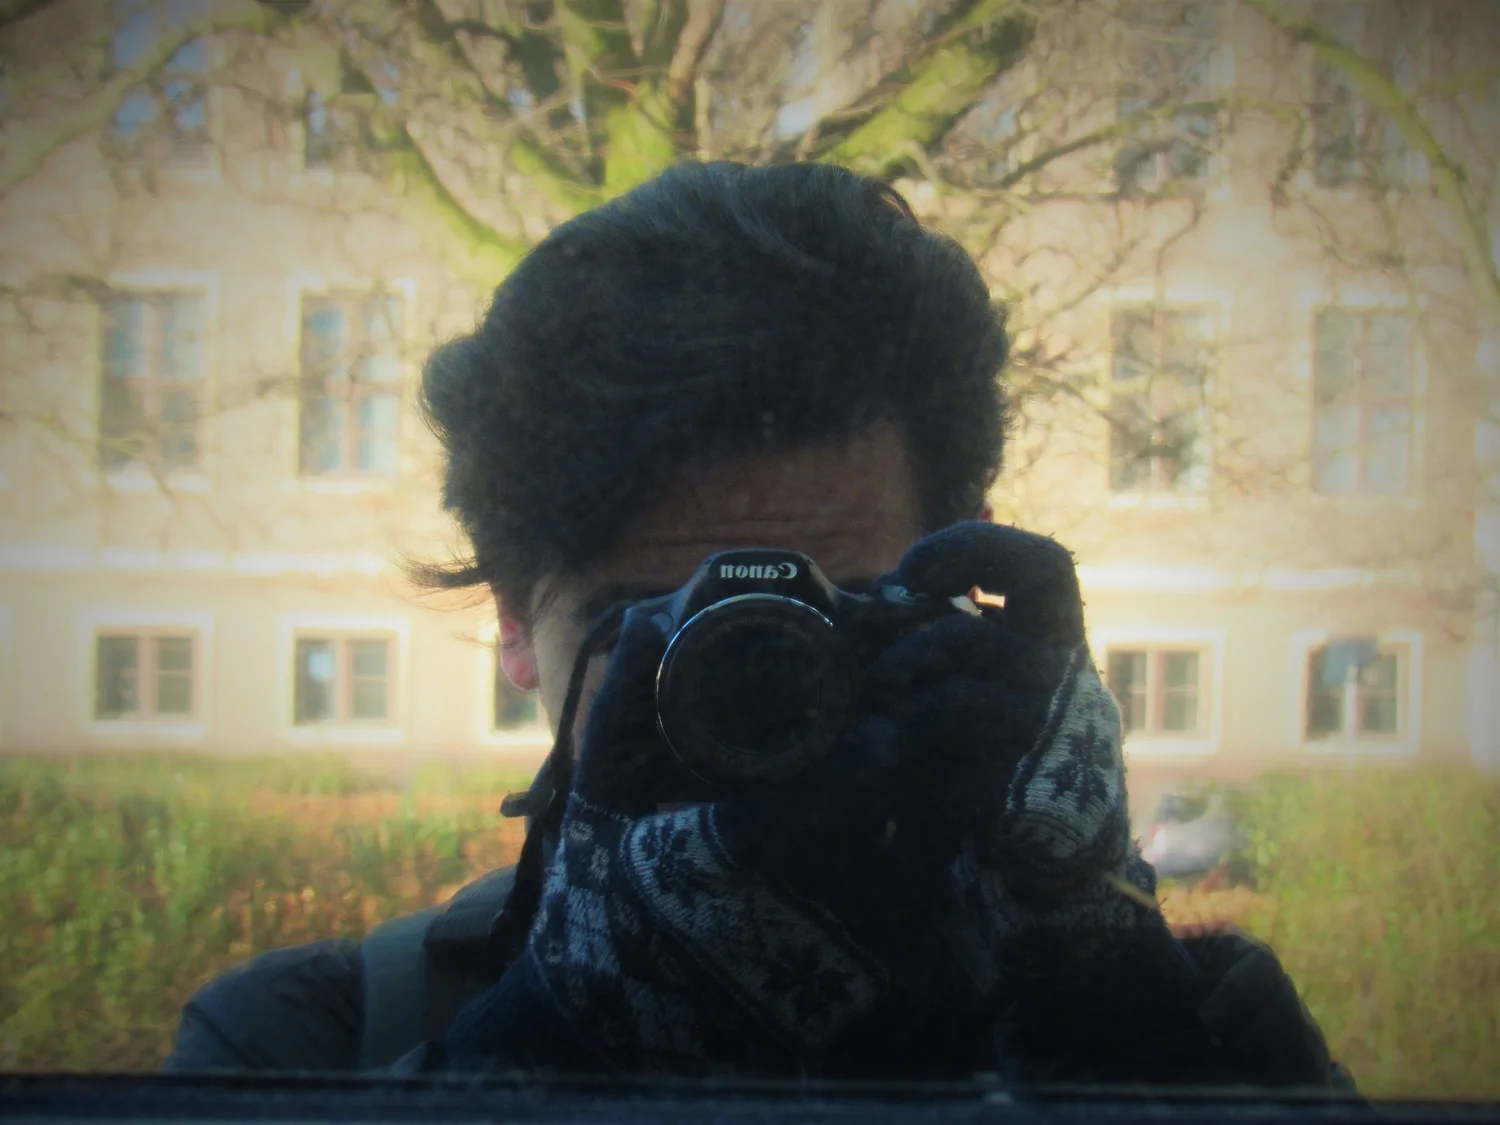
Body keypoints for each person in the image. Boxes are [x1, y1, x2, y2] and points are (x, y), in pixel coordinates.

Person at [164, 161, 1351, 1089]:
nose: (751, 685)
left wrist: (1102, 994)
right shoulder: (300, 1041)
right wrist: (551, 1030)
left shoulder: (1185, 1014)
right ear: (517, 622)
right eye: (647, 628)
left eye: (826, 615)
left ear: (963, 579)